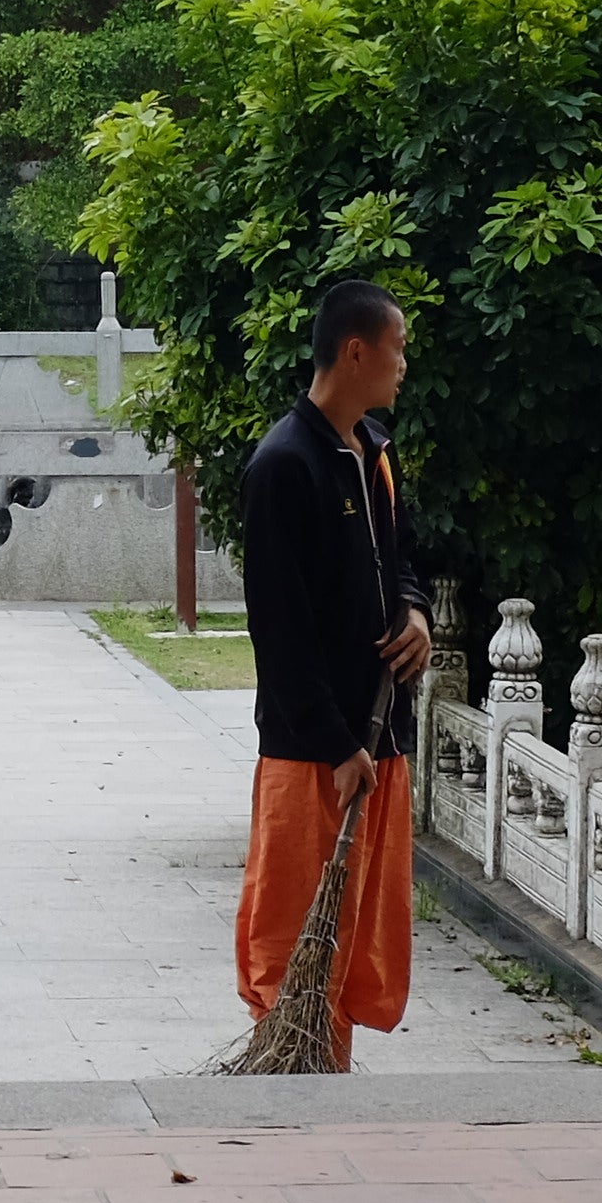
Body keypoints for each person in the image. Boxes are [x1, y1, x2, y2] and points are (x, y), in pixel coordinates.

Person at [232, 278, 438, 1065]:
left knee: (356, 937)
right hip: (313, 752)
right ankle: (291, 1071)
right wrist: (333, 743)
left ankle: (330, 1070)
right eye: (398, 348)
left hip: (379, 737)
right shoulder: (285, 465)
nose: (403, 365)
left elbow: (403, 562)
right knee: (292, 933)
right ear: (356, 351)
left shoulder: (374, 453)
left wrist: (415, 613)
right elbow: (276, 628)